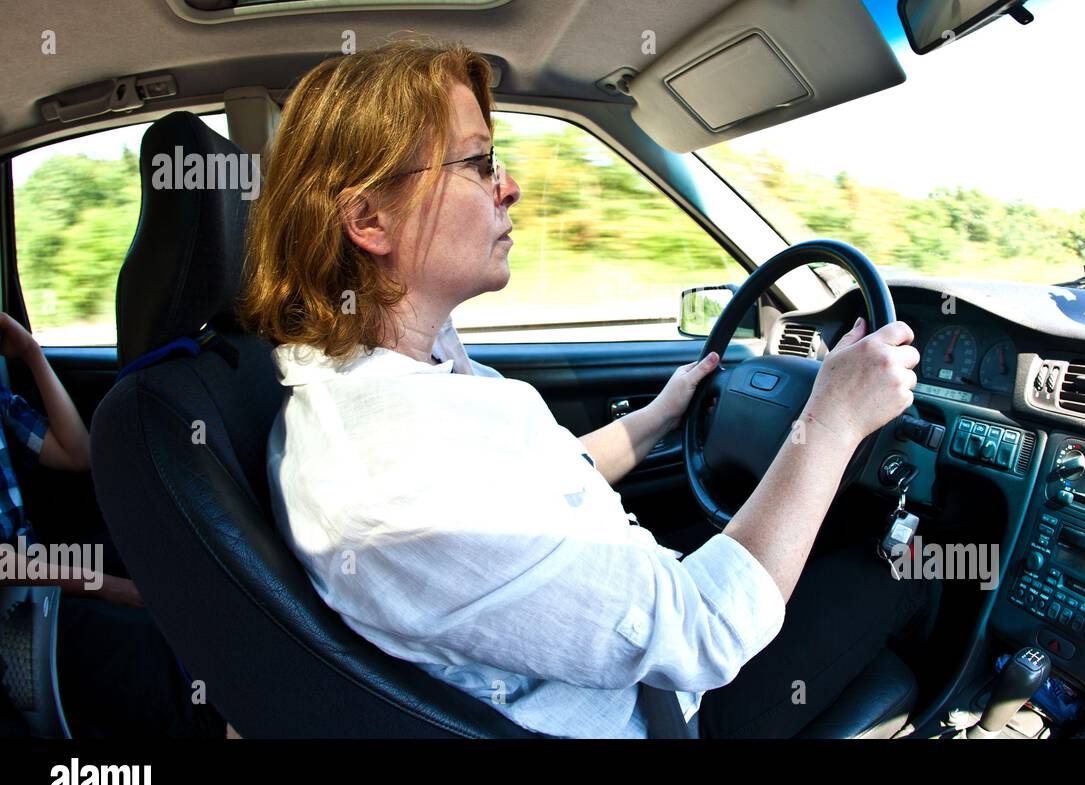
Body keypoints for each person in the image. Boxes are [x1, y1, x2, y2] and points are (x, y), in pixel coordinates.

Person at [238, 39, 927, 738]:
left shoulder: (386, 381)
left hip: (633, 627)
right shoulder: (399, 480)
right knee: (907, 572)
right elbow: (710, 630)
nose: (508, 187)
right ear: (369, 220)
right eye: (478, 163)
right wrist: (833, 420)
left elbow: (546, 485)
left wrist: (663, 413)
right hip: (666, 711)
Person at [0, 311, 224, 738]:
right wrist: (107, 586)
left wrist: (31, 353)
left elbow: (76, 452)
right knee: (159, 656)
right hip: (11, 604)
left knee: (160, 550)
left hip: (36, 567)